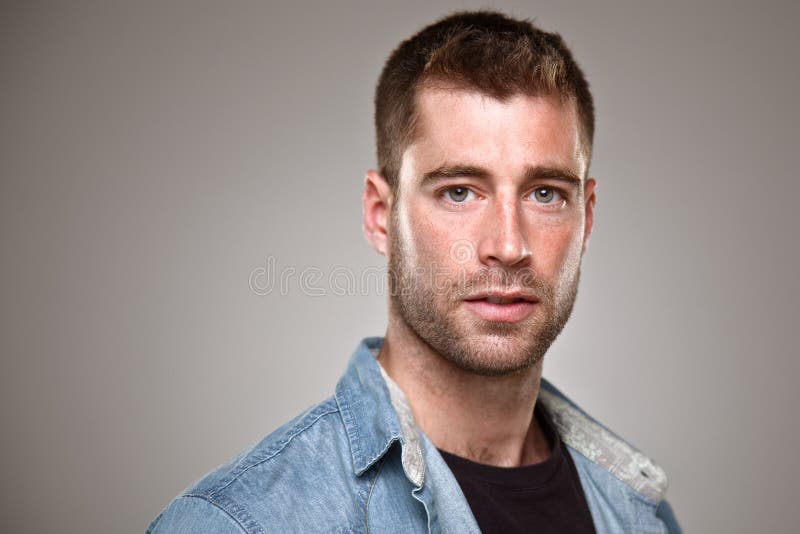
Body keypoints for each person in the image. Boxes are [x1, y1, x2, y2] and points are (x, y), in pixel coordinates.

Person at [148, 10, 681, 533]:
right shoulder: (242, 524)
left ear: (586, 217)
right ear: (381, 216)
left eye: (545, 194)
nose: (508, 245)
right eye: (458, 192)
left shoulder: (636, 509)